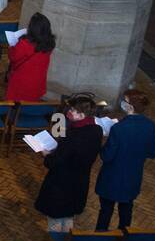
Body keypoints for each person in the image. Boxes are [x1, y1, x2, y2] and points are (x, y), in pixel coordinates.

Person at [34, 93, 104, 231]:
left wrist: (46, 154)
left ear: (82, 114)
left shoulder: (73, 136)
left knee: (55, 219)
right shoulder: (96, 130)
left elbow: (54, 162)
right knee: (68, 217)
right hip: (79, 181)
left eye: (72, 110)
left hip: (61, 184)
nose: (69, 113)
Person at [94, 89, 155, 231]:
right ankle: (123, 239)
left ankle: (100, 237)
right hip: (132, 177)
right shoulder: (151, 126)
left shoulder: (119, 128)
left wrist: (102, 141)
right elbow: (153, 152)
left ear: (130, 107)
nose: (122, 103)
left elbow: (106, 156)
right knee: (126, 211)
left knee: (105, 211)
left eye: (124, 101)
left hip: (112, 177)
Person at [5, 11, 55, 102]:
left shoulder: (25, 44)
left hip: (21, 81)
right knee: (30, 104)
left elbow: (13, 57)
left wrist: (12, 47)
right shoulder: (49, 44)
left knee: (14, 106)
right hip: (37, 81)